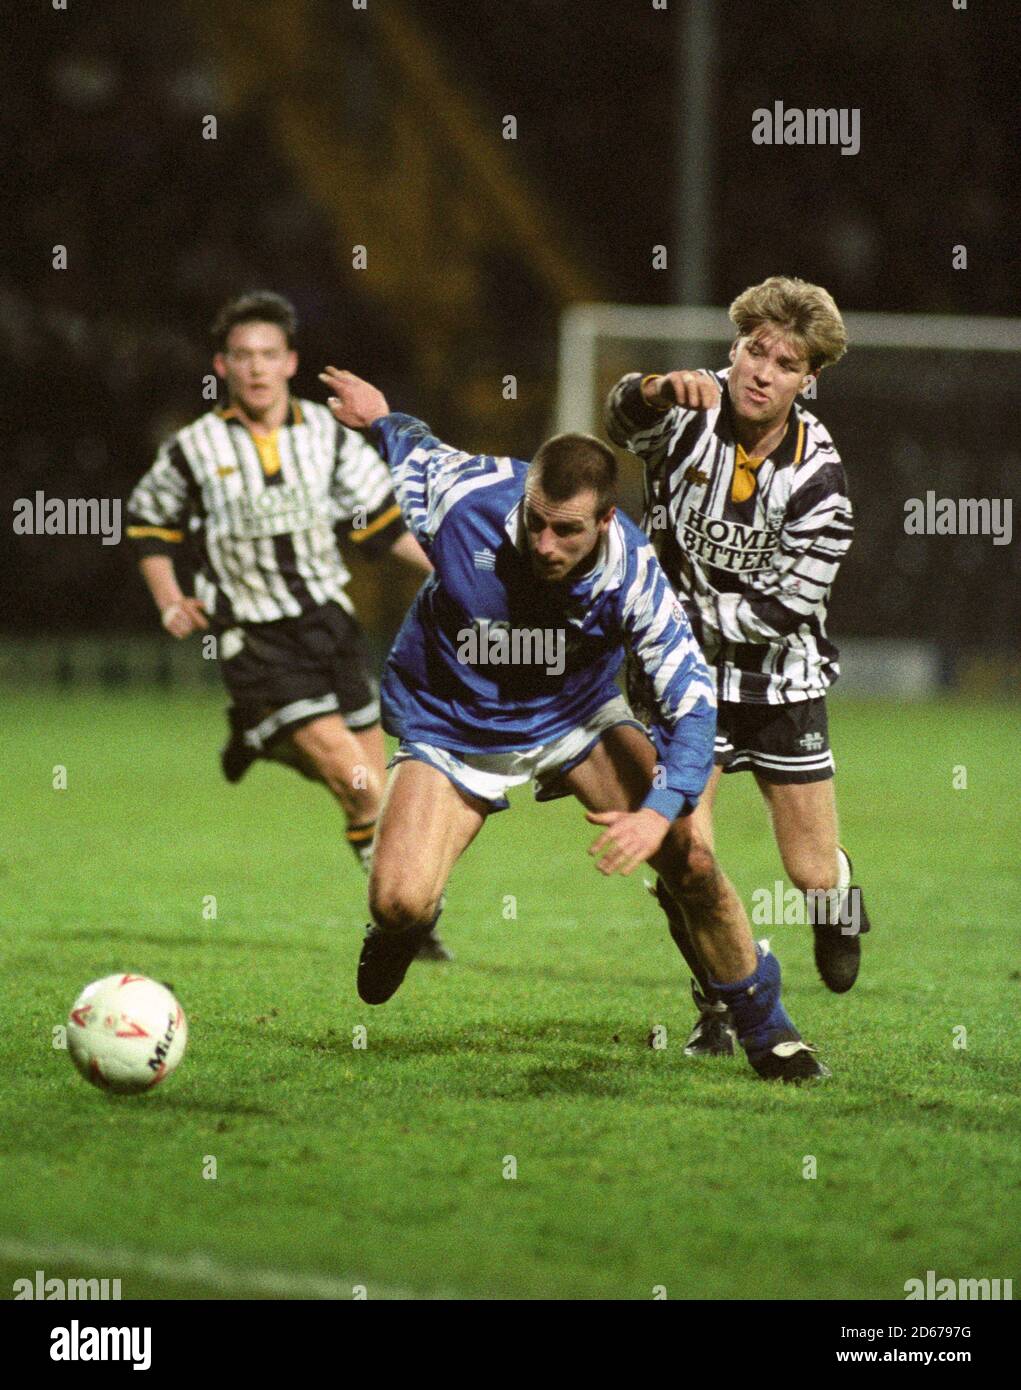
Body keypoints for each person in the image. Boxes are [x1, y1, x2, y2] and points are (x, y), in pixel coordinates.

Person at [319, 363, 829, 1083]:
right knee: (400, 899)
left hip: (572, 715)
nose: (545, 543)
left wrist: (657, 812)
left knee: (690, 857)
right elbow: (411, 444)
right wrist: (377, 413)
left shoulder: (633, 574)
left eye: (566, 531)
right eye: (535, 522)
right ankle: (400, 929)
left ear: (604, 521)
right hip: (452, 719)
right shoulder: (463, 497)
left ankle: (765, 1028)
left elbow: (691, 702)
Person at [126, 292, 449, 959]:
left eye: (269, 355)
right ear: (223, 365)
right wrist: (168, 598)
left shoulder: (328, 438)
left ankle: (258, 735)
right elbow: (148, 525)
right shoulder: (194, 448)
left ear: (290, 361)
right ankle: (407, 929)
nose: (256, 368)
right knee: (359, 790)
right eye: (242, 356)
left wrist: (454, 571)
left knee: (376, 793)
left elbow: (381, 527)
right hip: (253, 638)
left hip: (328, 627)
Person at [605, 275, 871, 1058]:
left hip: (779, 679)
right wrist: (653, 388)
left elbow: (782, 611)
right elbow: (623, 419)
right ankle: (722, 1004)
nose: (761, 371)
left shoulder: (820, 479)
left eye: (784, 363)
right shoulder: (689, 411)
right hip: (682, 682)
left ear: (806, 382)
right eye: (753, 350)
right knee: (686, 858)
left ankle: (837, 901)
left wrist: (662, 617)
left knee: (810, 871)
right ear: (734, 349)